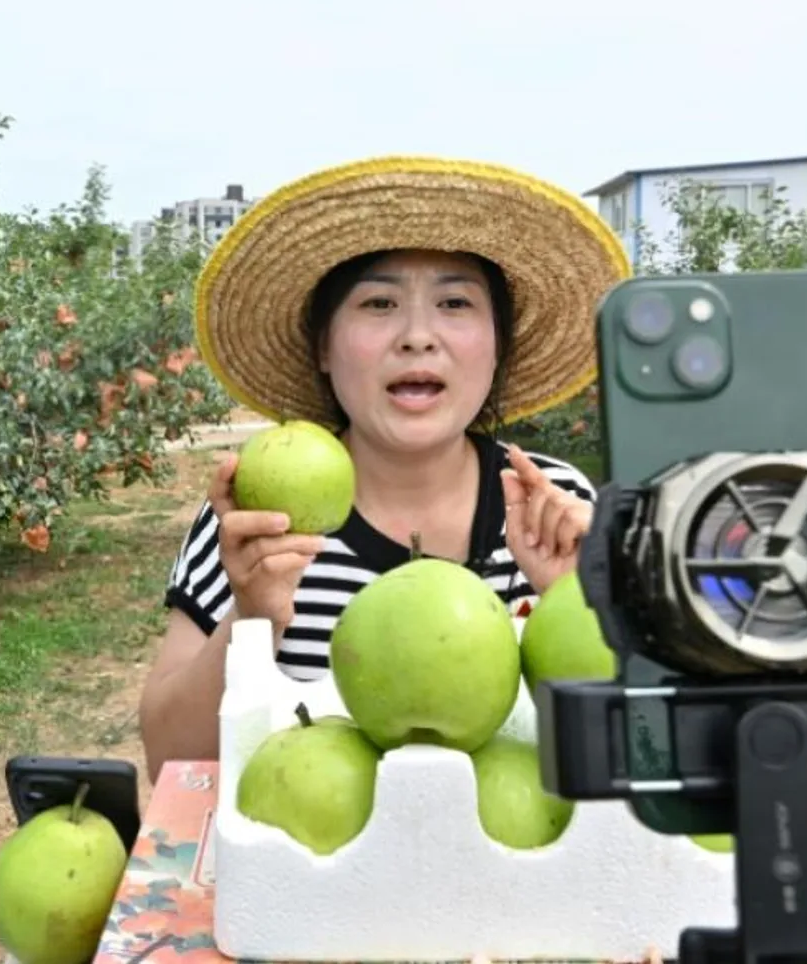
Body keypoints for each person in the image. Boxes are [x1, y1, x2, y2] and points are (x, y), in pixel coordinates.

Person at [136, 156, 632, 782]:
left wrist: (577, 599)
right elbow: (169, 762)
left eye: (455, 302)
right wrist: (252, 613)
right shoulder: (262, 522)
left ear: (498, 344)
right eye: (378, 303)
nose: (418, 336)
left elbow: (633, 747)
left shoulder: (554, 503)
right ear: (322, 345)